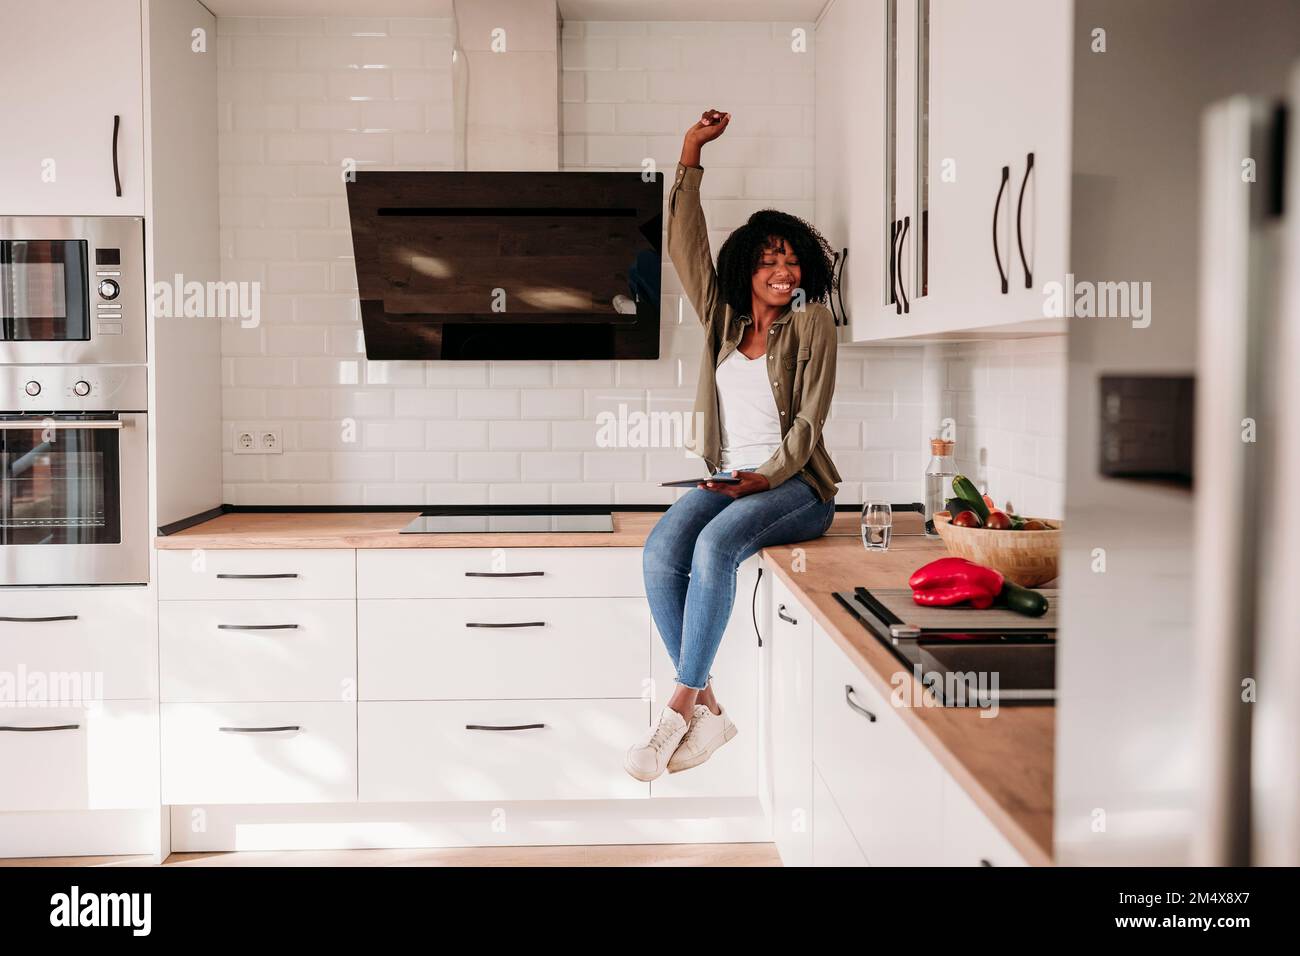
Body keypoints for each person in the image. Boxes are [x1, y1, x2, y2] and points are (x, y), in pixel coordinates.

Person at [625, 108, 843, 782]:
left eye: (792, 259)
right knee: (662, 551)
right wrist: (690, 153)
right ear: (746, 268)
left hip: (797, 488)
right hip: (729, 476)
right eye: (770, 259)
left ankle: (679, 707)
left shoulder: (813, 324)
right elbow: (687, 245)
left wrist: (761, 478)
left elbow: (808, 424)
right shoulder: (722, 320)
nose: (784, 269)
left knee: (716, 547)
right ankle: (712, 708)